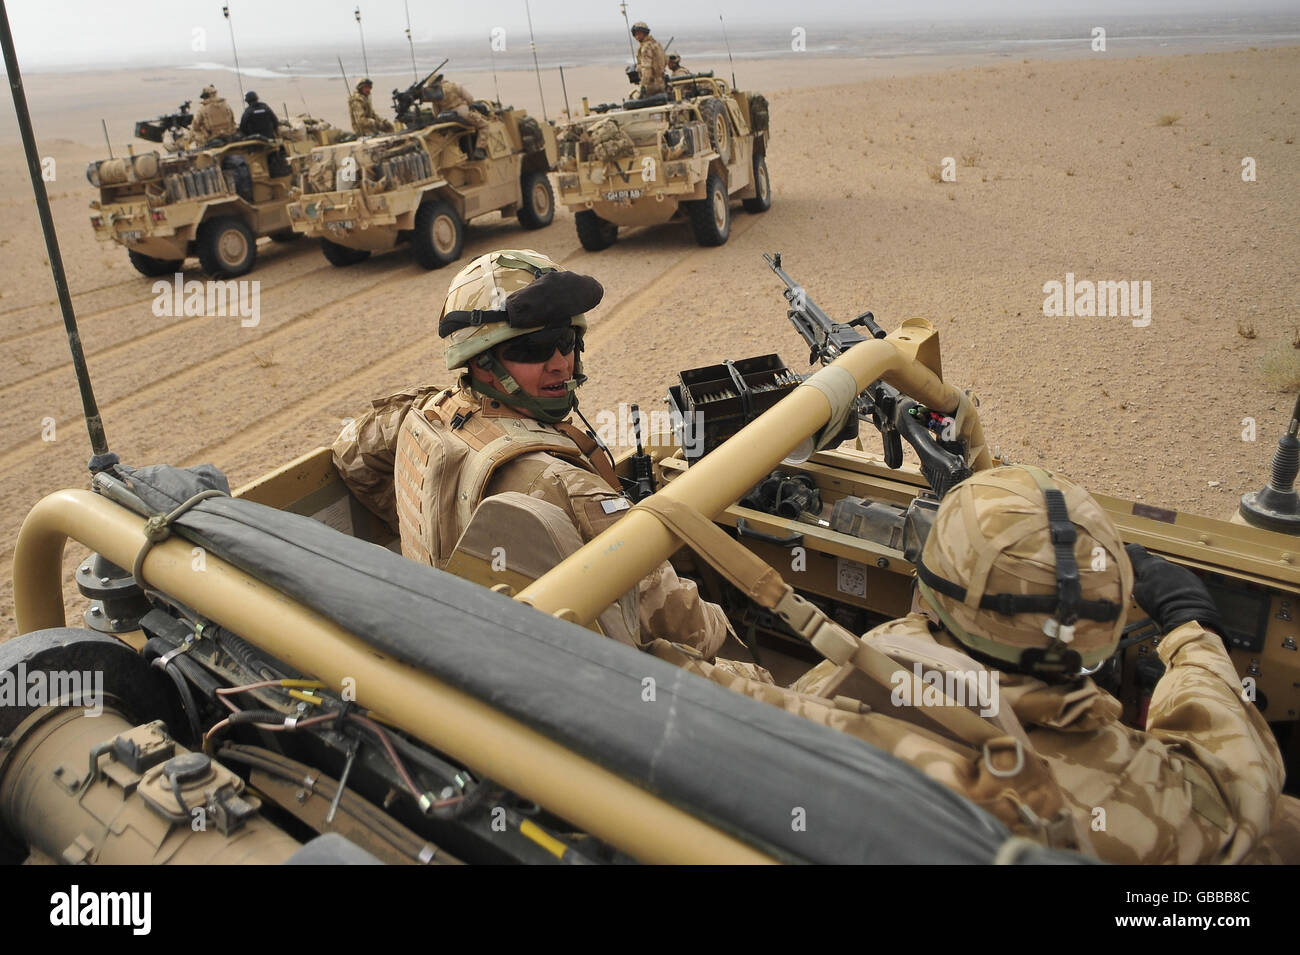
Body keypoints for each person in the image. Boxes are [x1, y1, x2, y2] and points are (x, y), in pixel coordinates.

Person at [789, 464, 1290, 863]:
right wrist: (1191, 632)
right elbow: (1238, 787)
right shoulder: (1141, 792)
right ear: (1106, 623)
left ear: (928, 593)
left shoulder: (844, 676)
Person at [332, 249, 731, 659]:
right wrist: (730, 612)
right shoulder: (563, 485)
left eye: (567, 340)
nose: (561, 363)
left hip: (467, 642)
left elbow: (349, 454)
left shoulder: (424, 415)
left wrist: (431, 531)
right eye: (535, 347)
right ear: (481, 360)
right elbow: (691, 630)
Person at [630, 21, 666, 98]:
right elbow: (665, 61)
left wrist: (643, 86)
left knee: (633, 97)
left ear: (645, 33)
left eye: (639, 33)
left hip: (651, 86)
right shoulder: (656, 44)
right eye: (636, 34)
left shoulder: (645, 48)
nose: (637, 36)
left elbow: (646, 69)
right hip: (662, 84)